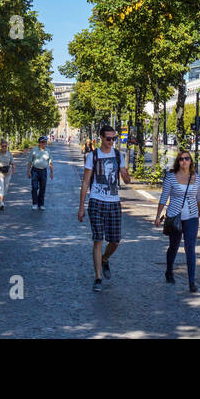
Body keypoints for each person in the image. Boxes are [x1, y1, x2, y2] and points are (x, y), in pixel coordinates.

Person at [78, 124, 131, 292]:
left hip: (114, 202)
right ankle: (98, 278)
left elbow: (126, 178)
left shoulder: (118, 155)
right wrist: (81, 207)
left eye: (113, 138)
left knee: (115, 240)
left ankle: (105, 259)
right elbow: (86, 182)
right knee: (98, 239)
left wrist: (126, 176)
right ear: (101, 137)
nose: (111, 141)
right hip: (96, 201)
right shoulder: (93, 156)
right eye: (108, 138)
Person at [155, 150, 200, 292]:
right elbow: (164, 197)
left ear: (191, 161)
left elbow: (199, 198)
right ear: (178, 161)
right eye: (181, 159)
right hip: (175, 215)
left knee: (190, 248)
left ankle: (191, 282)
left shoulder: (197, 178)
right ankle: (169, 271)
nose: (184, 161)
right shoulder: (171, 177)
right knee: (174, 247)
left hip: (192, 216)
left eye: (187, 158)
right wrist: (158, 216)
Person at [27, 135, 55, 210]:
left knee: (43, 188)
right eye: (43, 142)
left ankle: (41, 204)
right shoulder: (34, 150)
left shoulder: (48, 151)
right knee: (34, 187)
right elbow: (30, 161)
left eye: (45, 142)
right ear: (39, 143)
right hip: (35, 170)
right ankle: (35, 203)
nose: (44, 143)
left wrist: (51, 172)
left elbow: (50, 162)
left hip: (43, 171)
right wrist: (28, 171)